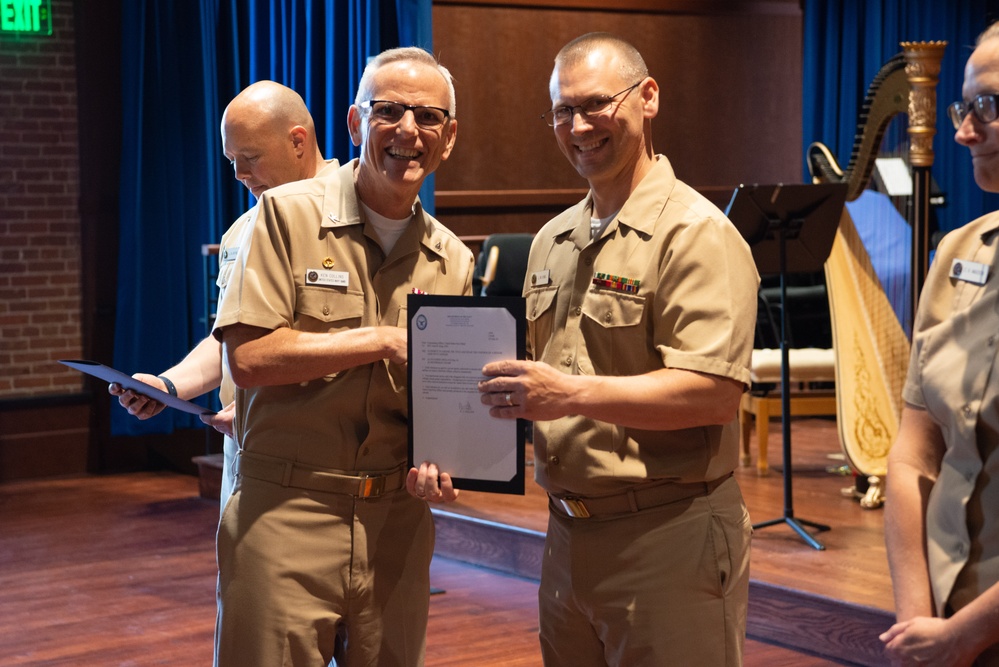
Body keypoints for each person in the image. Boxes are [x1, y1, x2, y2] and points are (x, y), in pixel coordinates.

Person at [473, 33, 758, 665]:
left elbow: (711, 394)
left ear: (648, 97)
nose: (578, 126)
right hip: (567, 533)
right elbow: (517, 375)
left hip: (668, 535)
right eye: (561, 111)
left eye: (596, 103)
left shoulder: (697, 234)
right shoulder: (552, 240)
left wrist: (568, 393)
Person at [211, 47, 472, 666]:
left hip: (398, 525)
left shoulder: (453, 258)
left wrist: (450, 455)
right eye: (389, 111)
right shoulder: (282, 216)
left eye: (428, 117)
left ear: (448, 138)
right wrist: (383, 340)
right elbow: (250, 357)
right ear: (355, 124)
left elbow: (442, 397)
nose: (409, 132)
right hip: (284, 515)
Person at [110, 80, 338, 507]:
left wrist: (271, 410)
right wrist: (167, 386)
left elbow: (364, 351)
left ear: (297, 141)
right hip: (246, 458)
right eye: (232, 160)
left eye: (250, 158)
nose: (238, 175)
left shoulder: (352, 215)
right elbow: (231, 343)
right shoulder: (242, 229)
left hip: (322, 469)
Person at [881, 23, 999, 666]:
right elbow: (912, 456)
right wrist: (917, 619)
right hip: (937, 622)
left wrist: (968, 633)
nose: (963, 132)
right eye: (965, 107)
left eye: (991, 106)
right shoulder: (957, 253)